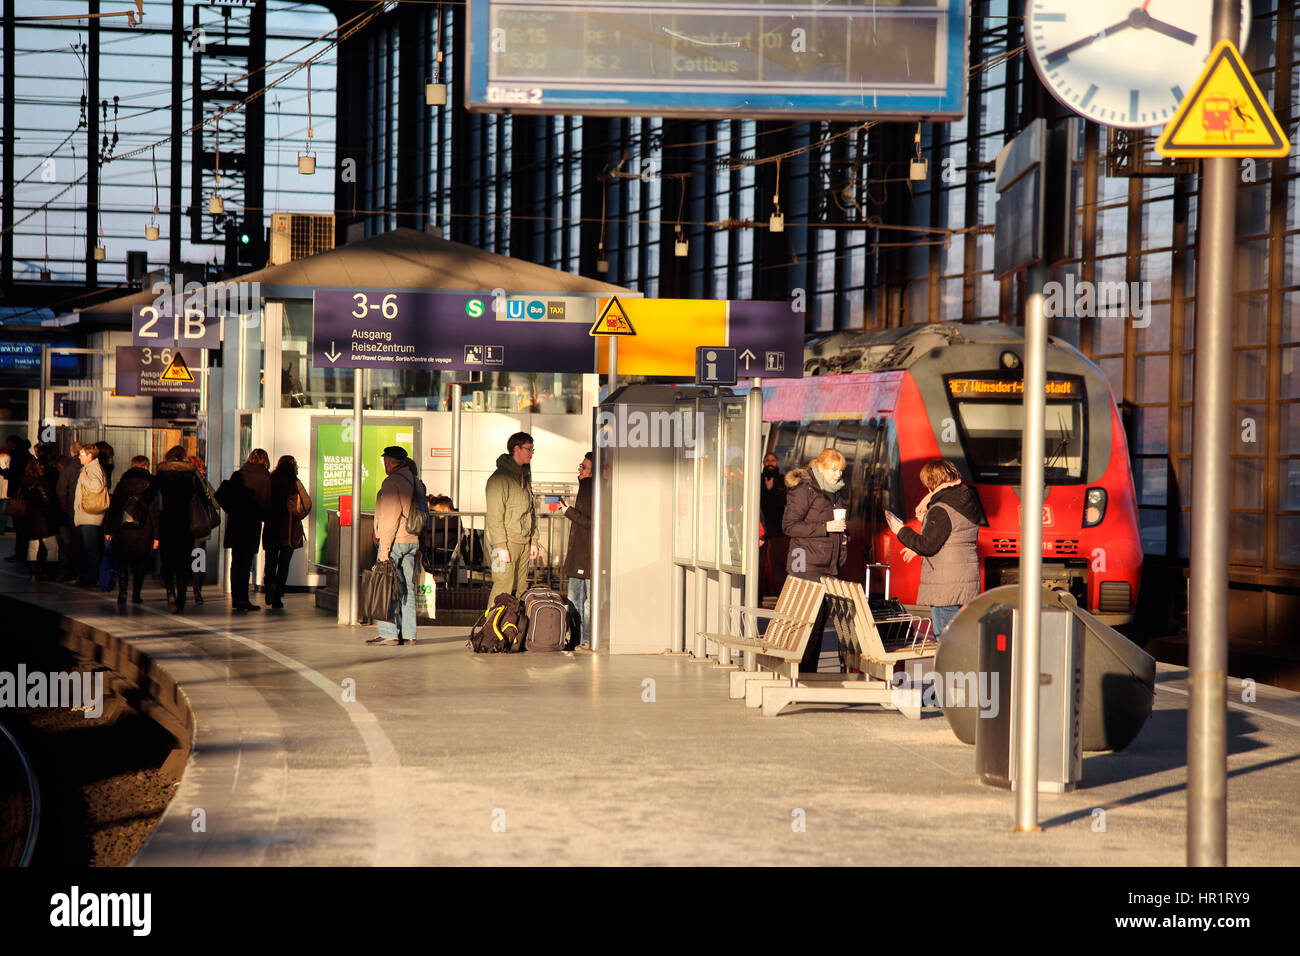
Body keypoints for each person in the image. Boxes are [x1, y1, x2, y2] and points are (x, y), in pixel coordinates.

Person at [887, 458, 981, 640]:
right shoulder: (964, 500)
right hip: (964, 578)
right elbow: (952, 534)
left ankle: (950, 669)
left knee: (946, 641)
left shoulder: (941, 508)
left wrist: (900, 530)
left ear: (931, 483)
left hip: (946, 586)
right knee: (960, 638)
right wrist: (926, 524)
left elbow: (927, 545)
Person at [782, 448, 848, 674]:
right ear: (820, 467)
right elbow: (789, 526)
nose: (838, 475)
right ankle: (799, 672)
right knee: (806, 622)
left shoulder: (835, 491)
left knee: (819, 623)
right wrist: (825, 527)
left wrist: (842, 537)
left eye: (840, 470)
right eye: (834, 469)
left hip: (826, 564)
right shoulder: (804, 489)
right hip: (805, 563)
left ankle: (809, 673)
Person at [367, 446, 425, 646]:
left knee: (387, 586)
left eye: (385, 461)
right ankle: (410, 634)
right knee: (407, 588)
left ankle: (389, 633)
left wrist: (384, 549)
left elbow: (391, 517)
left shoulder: (392, 481)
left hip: (395, 542)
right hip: (411, 541)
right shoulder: (415, 481)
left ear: (389, 462)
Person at [484, 432, 538, 612]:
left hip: (523, 541)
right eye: (528, 449)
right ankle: (490, 632)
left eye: (532, 449)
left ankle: (514, 631)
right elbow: (494, 515)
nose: (531, 453)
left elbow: (531, 510)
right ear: (516, 449)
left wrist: (534, 540)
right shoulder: (499, 479)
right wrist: (500, 546)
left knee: (521, 588)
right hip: (506, 542)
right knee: (502, 587)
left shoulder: (524, 477)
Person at [146, 446, 202, 613]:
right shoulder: (192, 476)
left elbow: (148, 496)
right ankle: (182, 598)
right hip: (186, 523)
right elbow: (203, 499)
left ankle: (170, 591)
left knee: (167, 561)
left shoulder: (162, 475)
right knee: (183, 563)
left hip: (167, 522)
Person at [216, 448, 272, 612]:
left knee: (236, 562)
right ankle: (243, 600)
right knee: (246, 563)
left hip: (235, 523)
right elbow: (267, 504)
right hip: (251, 525)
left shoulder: (238, 474)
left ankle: (236, 598)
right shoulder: (264, 477)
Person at [104, 455, 157, 606]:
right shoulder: (150, 484)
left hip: (123, 531)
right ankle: (136, 594)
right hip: (143, 532)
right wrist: (156, 535)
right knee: (139, 564)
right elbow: (154, 512)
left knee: (123, 564)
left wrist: (109, 530)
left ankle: (122, 592)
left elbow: (114, 509)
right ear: (146, 466)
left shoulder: (122, 484)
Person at [262, 455, 312, 610]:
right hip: (289, 530)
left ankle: (269, 584)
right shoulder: (294, 483)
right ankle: (277, 596)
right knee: (284, 564)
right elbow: (307, 503)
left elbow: (262, 502)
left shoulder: (269, 480)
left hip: (271, 527)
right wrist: (298, 514)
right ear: (292, 466)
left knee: (270, 560)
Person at [556, 452, 593, 648]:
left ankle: (584, 640)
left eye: (583, 466)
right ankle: (578, 639)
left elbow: (592, 522)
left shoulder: (591, 488)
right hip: (580, 556)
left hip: (587, 556)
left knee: (583, 602)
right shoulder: (585, 487)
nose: (579, 469)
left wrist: (568, 512)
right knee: (575, 601)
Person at [16, 458, 60, 581]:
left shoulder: (25, 480)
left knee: (33, 545)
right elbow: (47, 499)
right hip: (43, 517)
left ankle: (33, 573)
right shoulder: (41, 481)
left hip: (29, 517)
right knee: (52, 546)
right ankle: (52, 572)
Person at [73, 443, 108, 587]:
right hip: (88, 514)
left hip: (90, 514)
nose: (79, 457)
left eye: (81, 454)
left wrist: (83, 478)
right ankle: (94, 575)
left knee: (91, 547)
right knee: (91, 546)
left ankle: (94, 576)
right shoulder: (90, 468)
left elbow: (96, 486)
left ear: (90, 455)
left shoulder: (92, 469)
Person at [189, 456, 220, 605]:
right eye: (203, 467)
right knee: (198, 560)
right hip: (200, 529)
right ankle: (197, 590)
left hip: (182, 527)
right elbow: (216, 502)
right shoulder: (203, 482)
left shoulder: (179, 481)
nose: (205, 470)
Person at [54, 441, 83, 582]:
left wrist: (64, 507)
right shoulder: (93, 467)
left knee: (73, 542)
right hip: (93, 511)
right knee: (89, 542)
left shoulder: (69, 468)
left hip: (73, 510)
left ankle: (73, 571)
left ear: (72, 452)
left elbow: (60, 490)